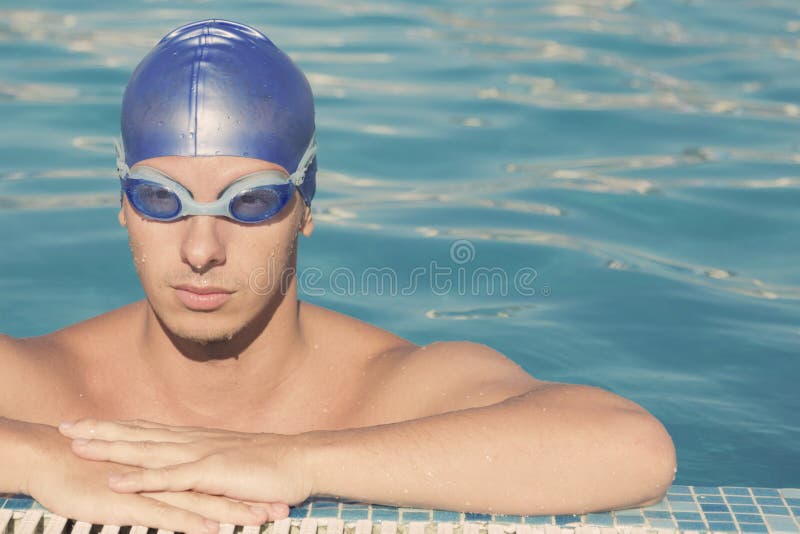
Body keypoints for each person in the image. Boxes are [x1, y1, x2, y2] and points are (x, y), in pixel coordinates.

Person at [0, 19, 676, 534]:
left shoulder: (394, 391)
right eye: (160, 198)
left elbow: (630, 447)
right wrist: (37, 459)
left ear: (305, 206)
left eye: (252, 201)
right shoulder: (41, 387)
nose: (201, 248)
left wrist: (295, 460)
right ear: (122, 203)